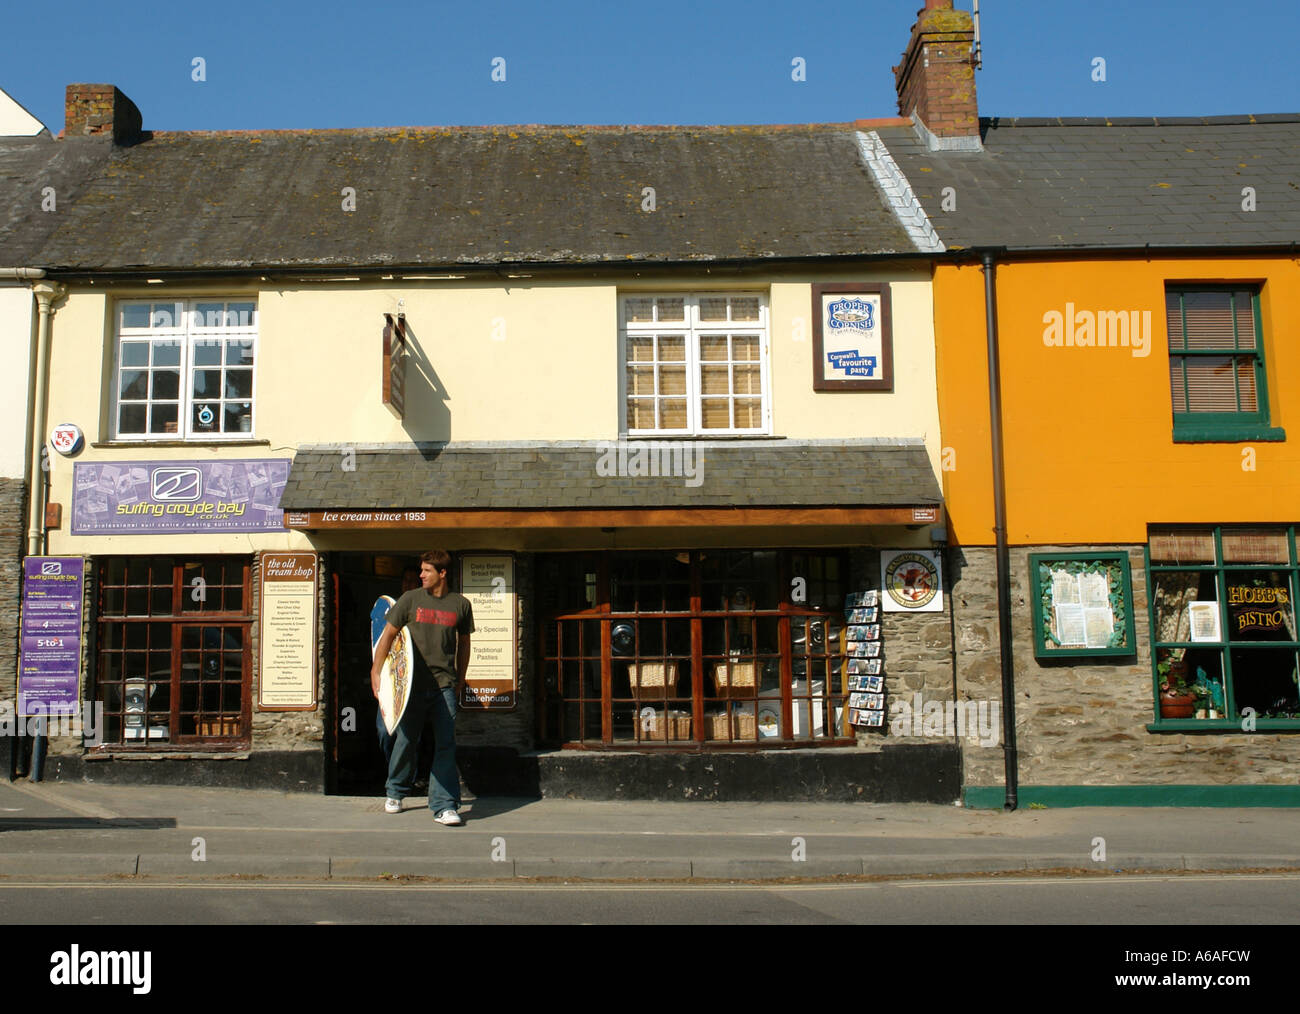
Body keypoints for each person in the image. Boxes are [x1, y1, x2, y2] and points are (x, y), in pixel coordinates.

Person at [370, 550, 474, 825]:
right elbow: (387, 635)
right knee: (404, 740)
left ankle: (444, 805)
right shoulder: (409, 599)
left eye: (427, 570)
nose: (421, 575)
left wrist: (461, 678)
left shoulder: (460, 604)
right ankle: (395, 791)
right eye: (421, 570)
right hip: (410, 686)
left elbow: (464, 643)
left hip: (444, 686)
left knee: (446, 744)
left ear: (442, 573)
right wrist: (376, 672)